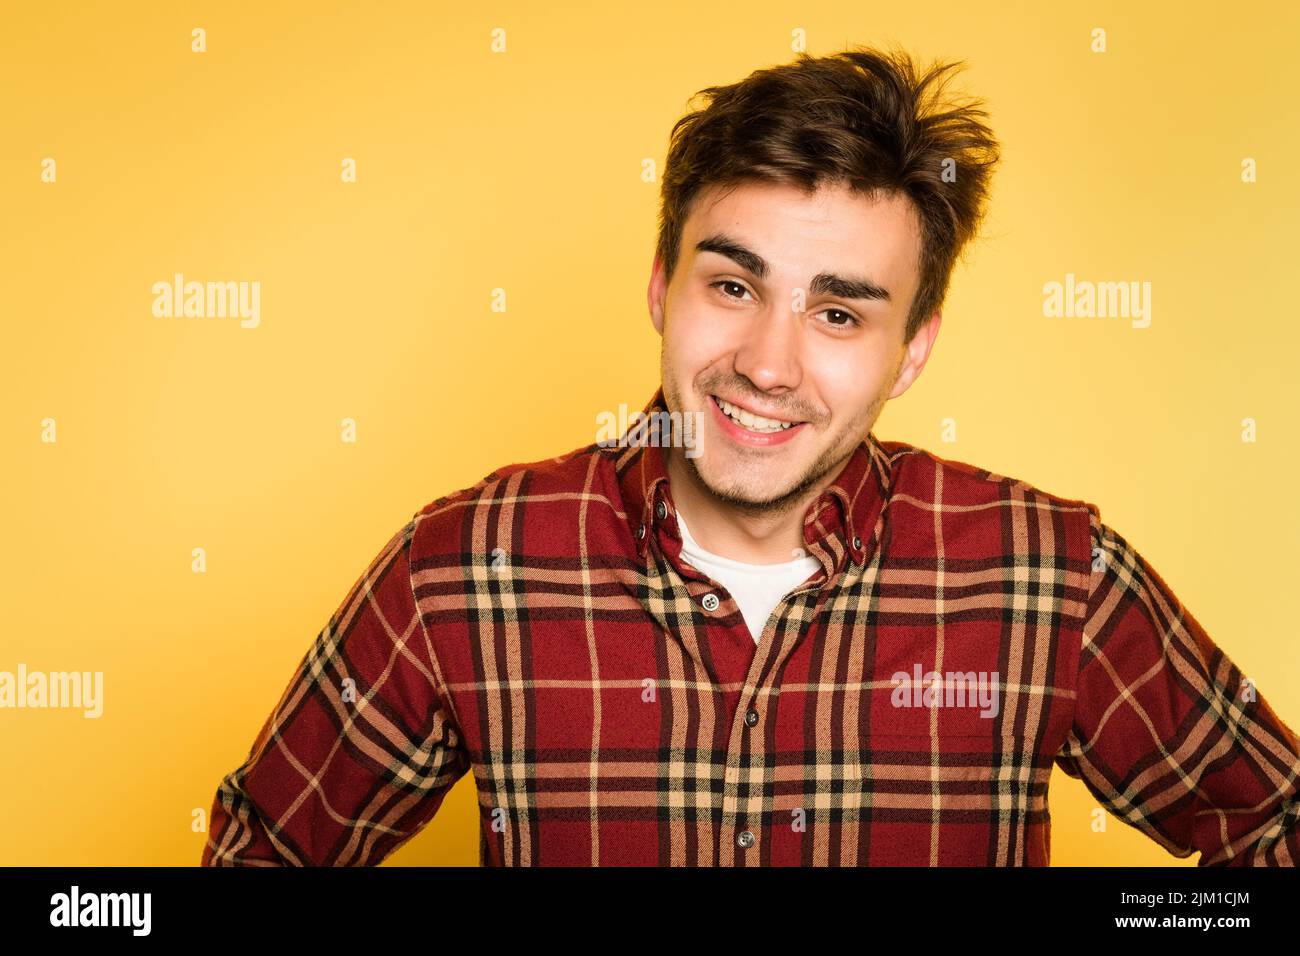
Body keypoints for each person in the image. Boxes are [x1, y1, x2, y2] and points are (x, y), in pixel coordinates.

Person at [201, 45, 1299, 866]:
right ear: (659, 285)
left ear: (910, 350)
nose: (767, 364)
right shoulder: (462, 566)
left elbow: (1272, 826)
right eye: (732, 285)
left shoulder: (1051, 574)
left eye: (838, 313)